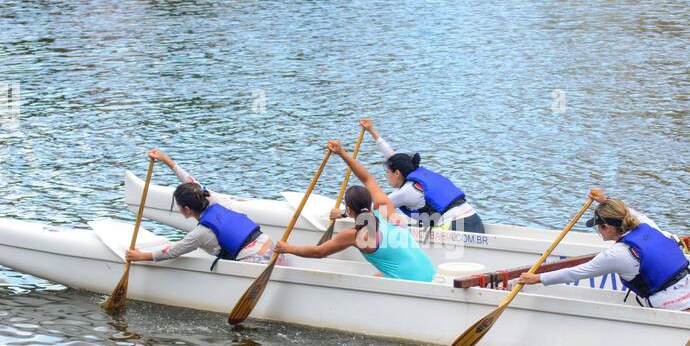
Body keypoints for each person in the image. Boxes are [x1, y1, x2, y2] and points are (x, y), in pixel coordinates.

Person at [276, 141, 437, 283]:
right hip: (429, 272)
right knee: (377, 275)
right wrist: (342, 152)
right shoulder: (386, 211)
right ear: (370, 202)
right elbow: (368, 179)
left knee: (378, 276)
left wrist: (287, 248)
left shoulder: (355, 235)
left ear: (348, 210)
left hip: (412, 283)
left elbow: (319, 252)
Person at [517, 189, 690, 311]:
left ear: (606, 227)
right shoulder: (646, 225)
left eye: (597, 227)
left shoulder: (617, 254)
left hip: (671, 309)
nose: (597, 230)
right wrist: (605, 200)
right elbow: (631, 213)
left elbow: (575, 274)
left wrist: (537, 279)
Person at [123, 150, 276, 266]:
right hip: (273, 250)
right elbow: (190, 181)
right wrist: (165, 159)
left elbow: (172, 251)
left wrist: (141, 256)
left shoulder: (199, 234)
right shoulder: (215, 198)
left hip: (259, 263)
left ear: (187, 210)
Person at [359, 117, 484, 232]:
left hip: (459, 227)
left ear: (397, 173)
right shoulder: (414, 171)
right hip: (475, 220)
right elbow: (392, 155)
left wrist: (354, 212)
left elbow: (378, 205)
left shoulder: (405, 192)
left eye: (387, 172)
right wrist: (372, 131)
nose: (386, 176)